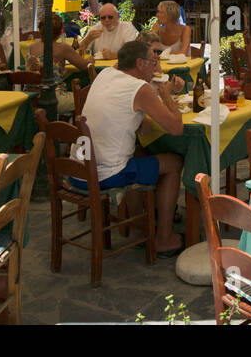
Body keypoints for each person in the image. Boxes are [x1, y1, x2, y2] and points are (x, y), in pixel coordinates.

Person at [80, 40, 186, 255]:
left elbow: (118, 108)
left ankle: (138, 228)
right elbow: (176, 128)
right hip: (105, 174)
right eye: (153, 62)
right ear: (139, 63)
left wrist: (140, 120)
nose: (156, 67)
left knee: (140, 151)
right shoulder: (139, 88)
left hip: (79, 168)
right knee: (174, 162)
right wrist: (166, 94)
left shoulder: (105, 74)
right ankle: (164, 238)